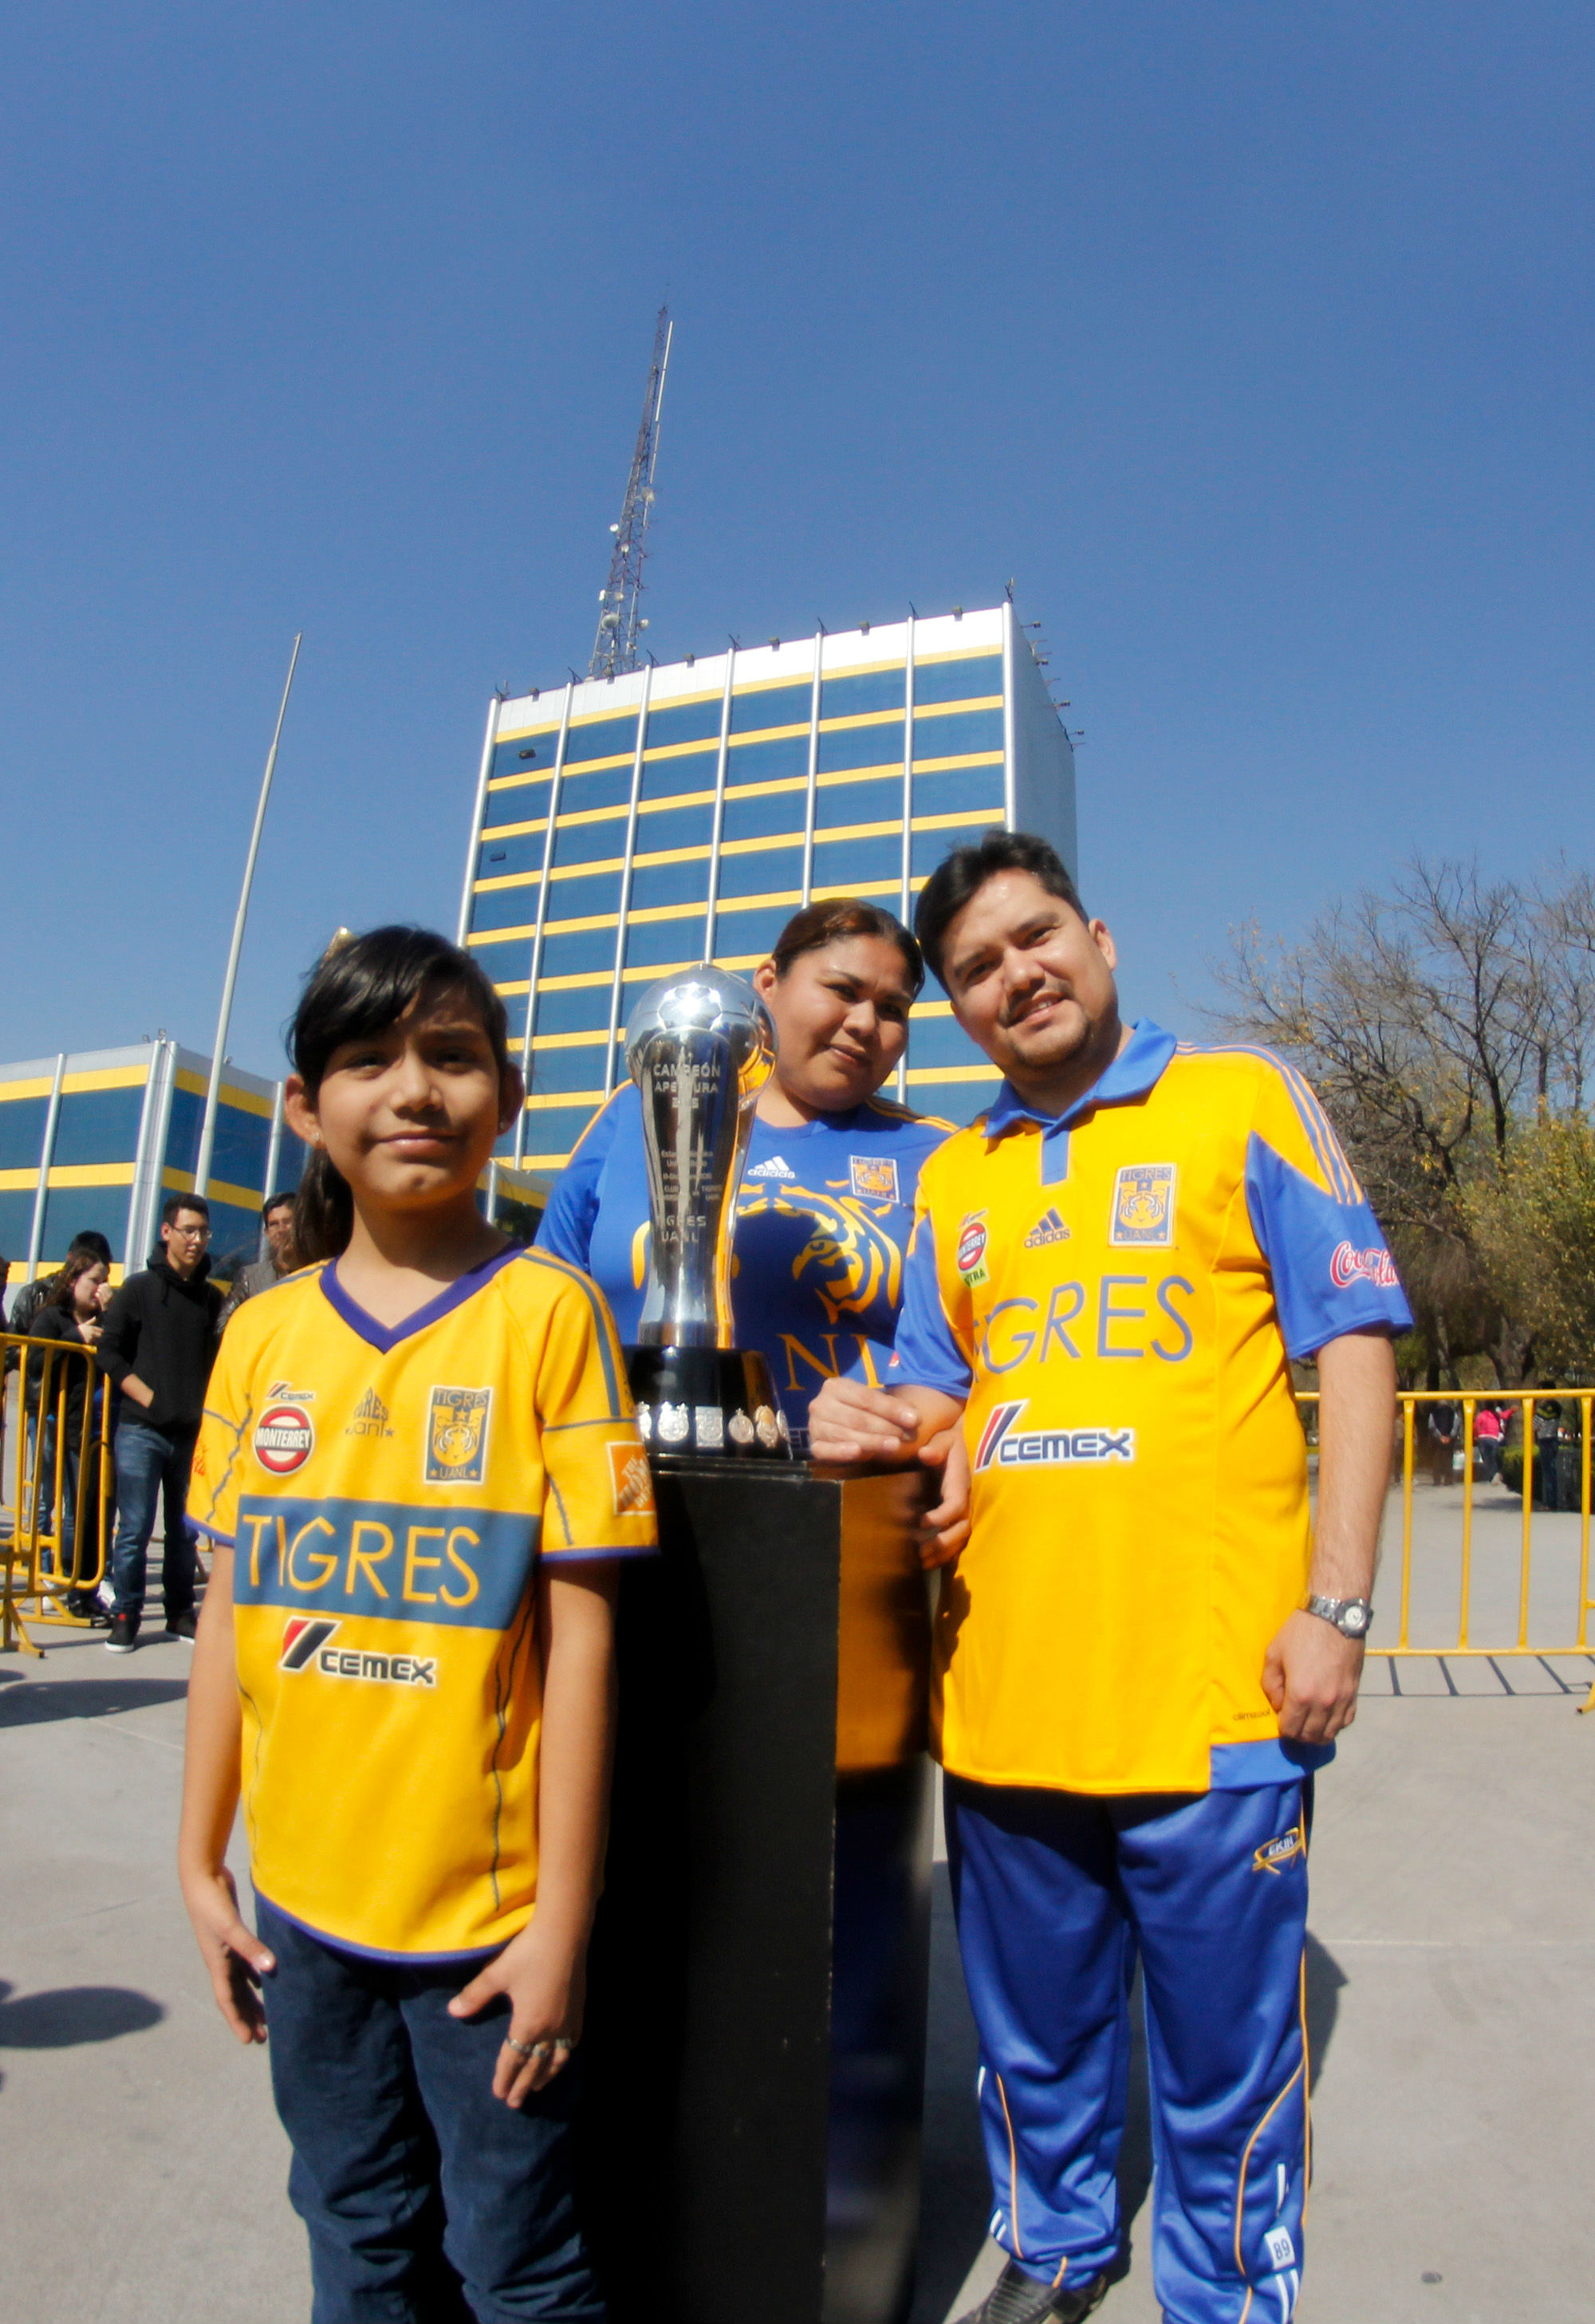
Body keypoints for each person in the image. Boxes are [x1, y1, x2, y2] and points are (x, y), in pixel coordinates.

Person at [809, 829, 1410, 2324]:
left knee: (1226, 2062)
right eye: (974, 971)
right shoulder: (955, 1173)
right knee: (1036, 2040)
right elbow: (947, 1390)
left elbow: (1354, 1346)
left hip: (1216, 1700)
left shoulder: (1243, 1097)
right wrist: (869, 1417)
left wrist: (1334, 1605)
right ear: (955, 1009)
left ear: (1101, 937)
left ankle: (1225, 2287)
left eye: (1034, 939)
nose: (1015, 976)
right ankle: (1058, 2242)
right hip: (1008, 1701)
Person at [179, 924, 655, 2324]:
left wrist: (561, 1920)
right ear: (303, 1107)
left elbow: (585, 1646)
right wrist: (202, 1863)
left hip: (485, 1932)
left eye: (452, 1056)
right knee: (356, 2230)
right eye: (367, 1058)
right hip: (302, 1919)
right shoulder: (260, 1336)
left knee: (521, 2261)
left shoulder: (550, 1315)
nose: (412, 1089)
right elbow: (227, 1617)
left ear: (505, 1096)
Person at [537, 898, 951, 1451]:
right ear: (767, 983)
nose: (864, 1024)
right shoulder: (634, 1112)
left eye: (893, 1010)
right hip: (620, 1481)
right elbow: (543, 1305)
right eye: (843, 991)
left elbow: (973, 1357)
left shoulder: (937, 1154)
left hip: (839, 1502)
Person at [97, 1195, 223, 1652]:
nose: (196, 1240)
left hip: (192, 1435)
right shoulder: (138, 1289)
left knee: (183, 1531)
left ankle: (179, 1613)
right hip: (141, 1430)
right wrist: (147, 1395)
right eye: (188, 1230)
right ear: (166, 1232)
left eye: (203, 1232)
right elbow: (109, 1352)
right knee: (133, 1528)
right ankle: (126, 1614)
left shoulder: (211, 1299)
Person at [23, 1250, 112, 1621]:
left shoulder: (103, 1317)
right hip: (53, 1420)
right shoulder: (52, 1317)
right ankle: (41, 1575)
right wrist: (75, 1336)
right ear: (73, 1280)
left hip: (91, 1424)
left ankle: (73, 1581)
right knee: (47, 1501)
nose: (99, 1288)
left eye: (105, 1280)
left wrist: (108, 1311)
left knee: (83, 1509)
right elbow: (34, 1360)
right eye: (93, 1280)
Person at [217, 1189, 297, 1330]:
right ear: (267, 1233)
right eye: (274, 1224)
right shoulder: (251, 1277)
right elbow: (224, 1326)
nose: (281, 1230)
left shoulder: (323, 1274)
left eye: (287, 1222)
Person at [1428, 1396, 1458, 1487]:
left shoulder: (1433, 1413)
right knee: (1448, 1460)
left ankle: (1437, 1481)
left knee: (1437, 1460)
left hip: (1437, 1441)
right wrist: (1450, 1436)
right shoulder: (1453, 1413)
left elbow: (1431, 1425)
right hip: (1450, 1440)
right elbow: (1456, 1425)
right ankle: (1448, 1480)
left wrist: (1440, 1437)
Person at [1473, 1400, 1503, 1483]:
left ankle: (1490, 1476)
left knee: (1486, 1458)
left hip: (1483, 1438)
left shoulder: (1481, 1415)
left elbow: (1476, 1426)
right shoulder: (1496, 1415)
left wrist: (1477, 1435)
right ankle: (1495, 1474)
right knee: (1494, 1457)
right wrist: (1511, 1410)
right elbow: (1504, 1416)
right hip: (1493, 1437)